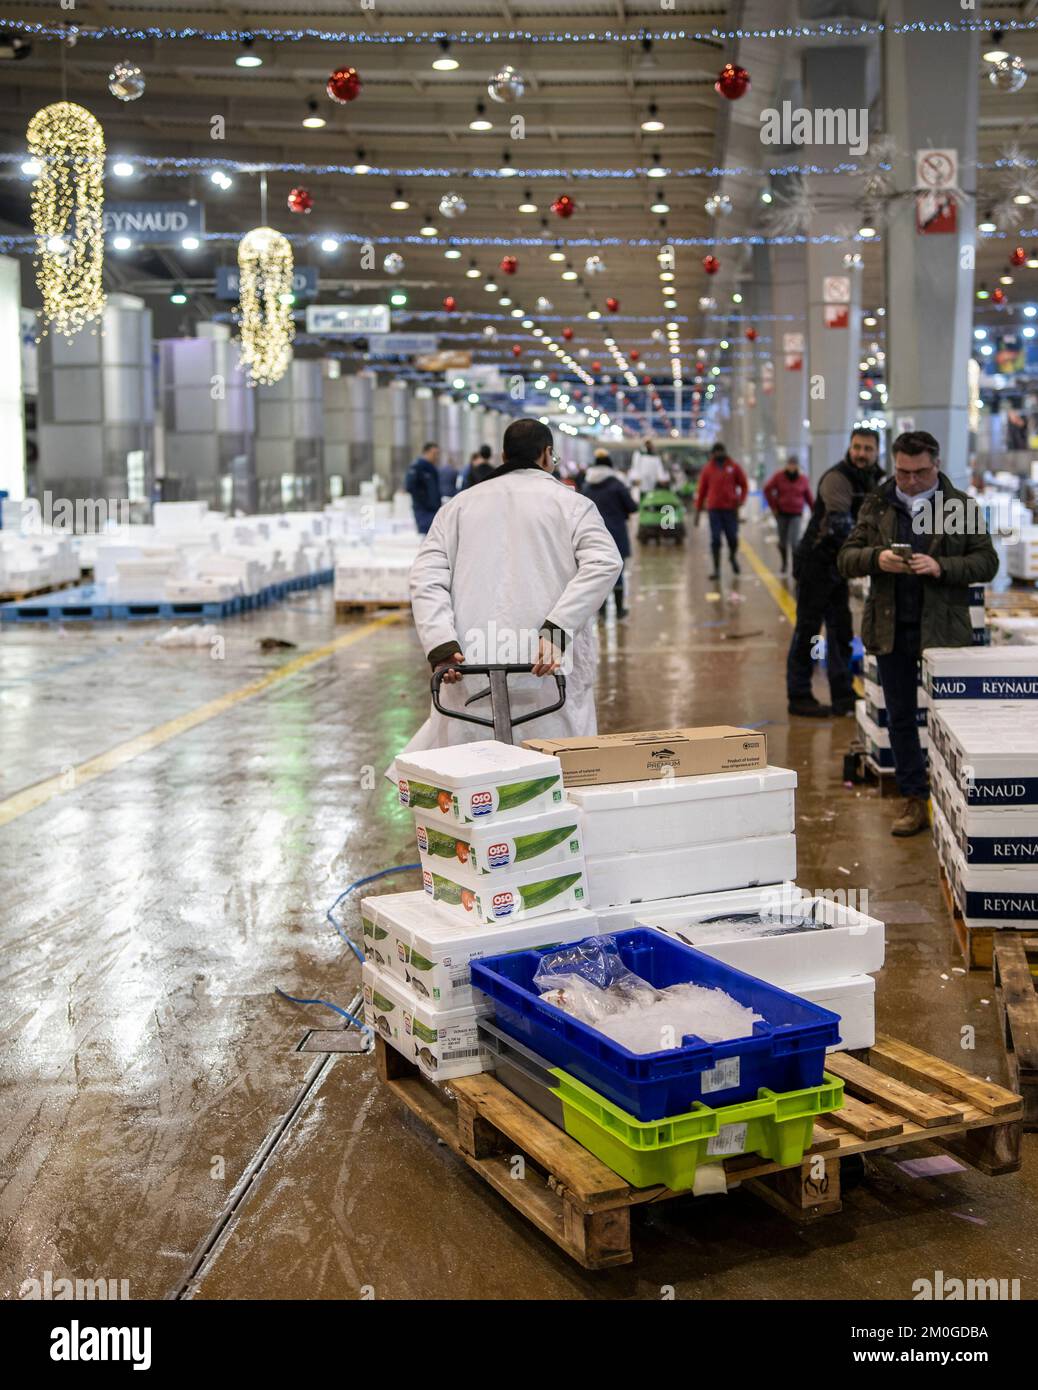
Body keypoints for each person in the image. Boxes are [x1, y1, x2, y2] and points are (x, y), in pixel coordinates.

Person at [403, 419, 622, 755]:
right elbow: (605, 562)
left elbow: (426, 576)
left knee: (477, 779)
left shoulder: (458, 507)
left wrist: (441, 643)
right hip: (546, 666)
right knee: (550, 774)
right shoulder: (572, 505)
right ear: (548, 455)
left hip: (472, 663)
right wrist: (558, 628)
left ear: (504, 455)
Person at [838, 430, 998, 837]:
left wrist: (942, 567)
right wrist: (879, 559)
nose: (908, 481)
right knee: (901, 718)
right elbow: (846, 559)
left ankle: (958, 797)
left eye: (919, 472)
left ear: (937, 465)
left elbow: (987, 562)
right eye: (902, 472)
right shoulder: (877, 502)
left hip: (944, 629)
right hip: (891, 628)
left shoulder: (959, 507)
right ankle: (914, 799)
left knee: (953, 719)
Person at [786, 427, 883, 718]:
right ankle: (799, 695)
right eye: (857, 447)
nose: (862, 454)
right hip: (816, 563)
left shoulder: (875, 478)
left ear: (876, 451)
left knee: (841, 631)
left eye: (867, 448)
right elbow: (842, 526)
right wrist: (873, 557)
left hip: (838, 567)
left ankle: (842, 696)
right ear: (849, 448)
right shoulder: (836, 478)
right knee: (808, 632)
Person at [581, 449, 638, 617]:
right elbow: (633, 507)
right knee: (616, 571)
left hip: (593, 535)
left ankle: (602, 611)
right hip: (616, 534)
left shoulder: (586, 486)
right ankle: (619, 610)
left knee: (598, 572)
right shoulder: (617, 484)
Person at [694, 441, 748, 579]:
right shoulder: (708, 469)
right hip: (714, 511)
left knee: (733, 538)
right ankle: (717, 570)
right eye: (716, 452)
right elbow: (702, 491)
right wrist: (698, 511)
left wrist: (741, 500)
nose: (718, 455)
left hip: (730, 510)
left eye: (720, 451)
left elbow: (744, 485)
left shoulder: (734, 467)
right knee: (716, 540)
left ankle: (732, 557)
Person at [764, 455, 814, 575]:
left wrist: (815, 511)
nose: (792, 466)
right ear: (786, 465)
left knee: (795, 541)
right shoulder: (779, 476)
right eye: (790, 464)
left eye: (794, 464)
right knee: (782, 541)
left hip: (796, 514)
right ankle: (784, 562)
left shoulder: (803, 479)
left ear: (797, 466)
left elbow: (808, 496)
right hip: (781, 513)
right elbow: (767, 489)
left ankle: (796, 567)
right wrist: (773, 506)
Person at [405, 442, 442, 534]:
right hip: (423, 510)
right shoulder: (417, 466)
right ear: (426, 452)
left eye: (438, 454)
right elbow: (409, 486)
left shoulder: (432, 468)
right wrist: (423, 498)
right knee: (426, 536)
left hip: (434, 509)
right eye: (434, 454)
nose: (436, 457)